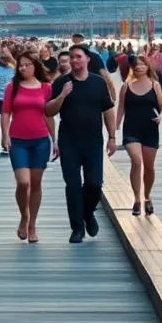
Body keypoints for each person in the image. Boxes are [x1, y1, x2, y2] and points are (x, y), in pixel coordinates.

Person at [45, 45, 116, 244]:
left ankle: (87, 212)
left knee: (94, 183)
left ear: (87, 59)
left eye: (78, 57)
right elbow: (48, 111)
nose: (75, 61)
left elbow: (108, 110)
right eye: (71, 58)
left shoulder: (98, 82)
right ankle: (77, 228)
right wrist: (62, 96)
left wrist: (112, 137)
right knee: (73, 185)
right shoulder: (61, 82)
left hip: (93, 140)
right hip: (69, 141)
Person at [0, 53, 54, 243]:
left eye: (26, 65)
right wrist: (5, 135)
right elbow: (5, 112)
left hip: (40, 140)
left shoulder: (46, 88)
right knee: (23, 182)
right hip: (18, 140)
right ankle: (24, 215)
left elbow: (48, 115)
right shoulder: (12, 87)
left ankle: (32, 225)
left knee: (36, 183)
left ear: (35, 66)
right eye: (20, 65)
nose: (22, 68)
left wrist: (55, 140)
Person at [116, 54, 162, 216]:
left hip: (150, 128)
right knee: (136, 161)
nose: (139, 67)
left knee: (149, 167)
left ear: (148, 67)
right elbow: (121, 107)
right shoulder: (126, 85)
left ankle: (147, 197)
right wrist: (114, 129)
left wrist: (161, 116)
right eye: (136, 65)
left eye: (142, 64)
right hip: (131, 128)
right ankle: (136, 199)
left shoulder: (155, 85)